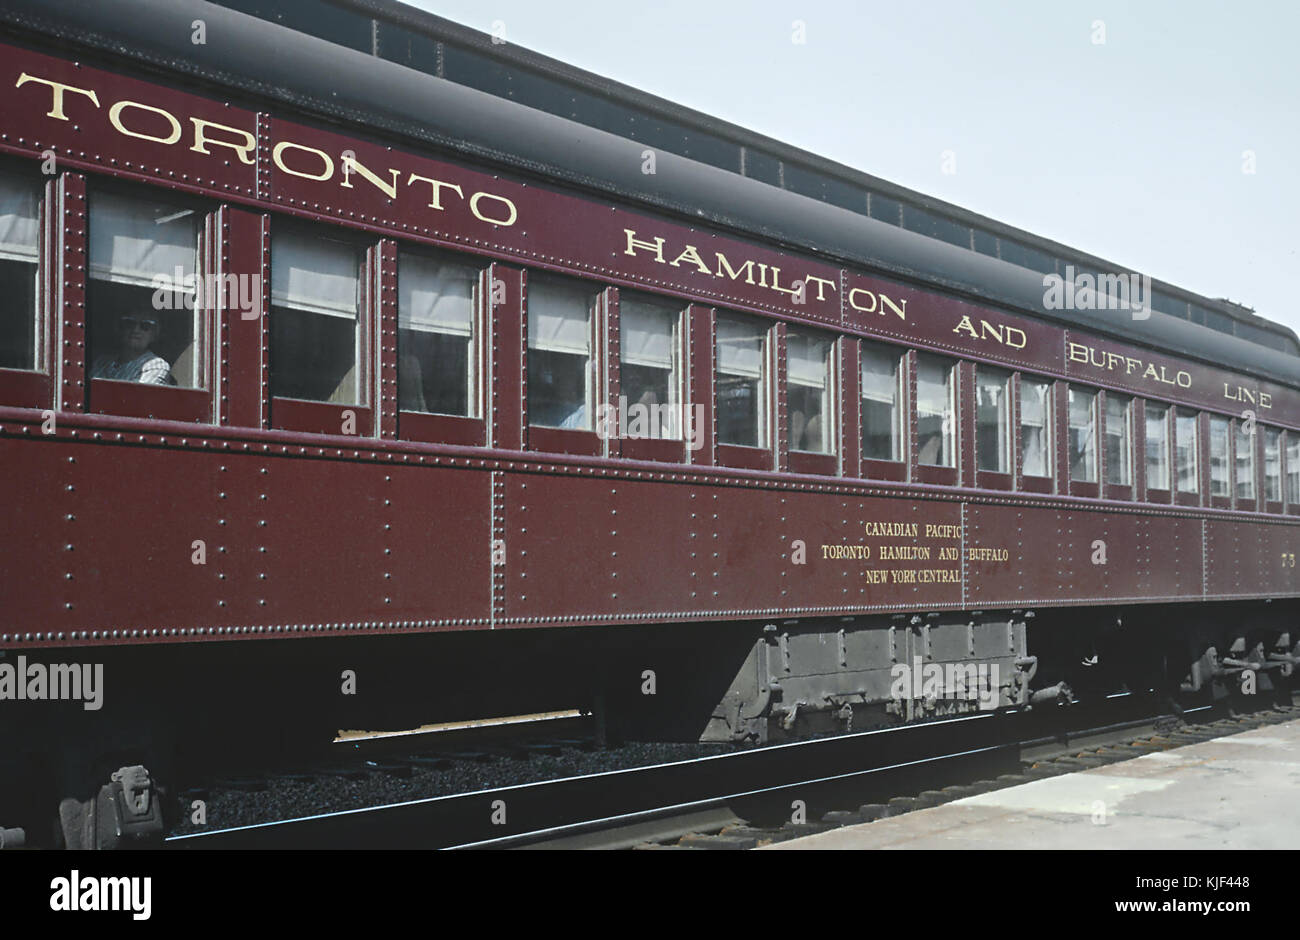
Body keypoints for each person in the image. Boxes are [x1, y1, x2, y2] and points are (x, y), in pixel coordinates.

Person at [91, 314, 172, 385]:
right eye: (129, 324)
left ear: (154, 335)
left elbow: (138, 398)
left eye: (145, 326)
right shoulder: (102, 361)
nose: (136, 330)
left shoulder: (156, 366)